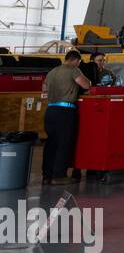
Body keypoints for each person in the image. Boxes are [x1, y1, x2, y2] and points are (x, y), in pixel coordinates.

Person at [41, 50, 92, 184]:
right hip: (65, 111)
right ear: (76, 61)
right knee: (64, 143)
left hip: (51, 110)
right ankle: (59, 176)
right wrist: (89, 82)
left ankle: (47, 175)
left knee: (51, 143)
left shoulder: (52, 71)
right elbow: (85, 84)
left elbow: (44, 88)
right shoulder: (73, 70)